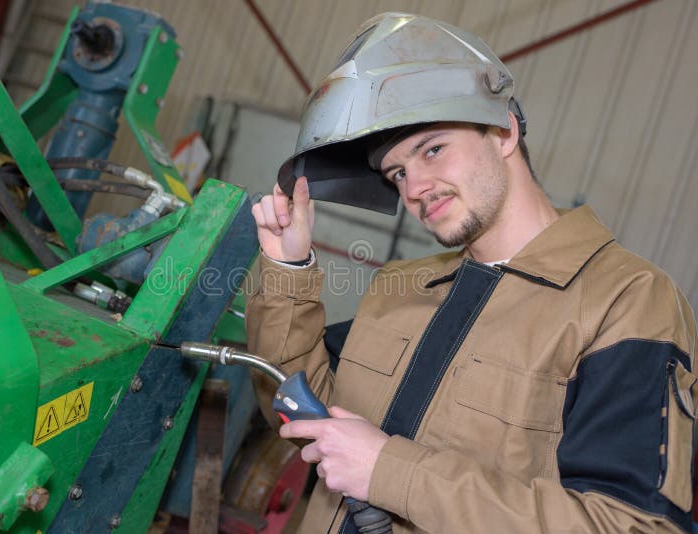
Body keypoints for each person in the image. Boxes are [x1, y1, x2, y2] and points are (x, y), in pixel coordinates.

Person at [246, 12, 697, 533]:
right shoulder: (401, 286)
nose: (415, 188)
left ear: (503, 131)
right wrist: (288, 268)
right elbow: (303, 416)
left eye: (433, 149)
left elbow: (631, 525)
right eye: (398, 172)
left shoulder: (627, 301)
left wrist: (390, 472)